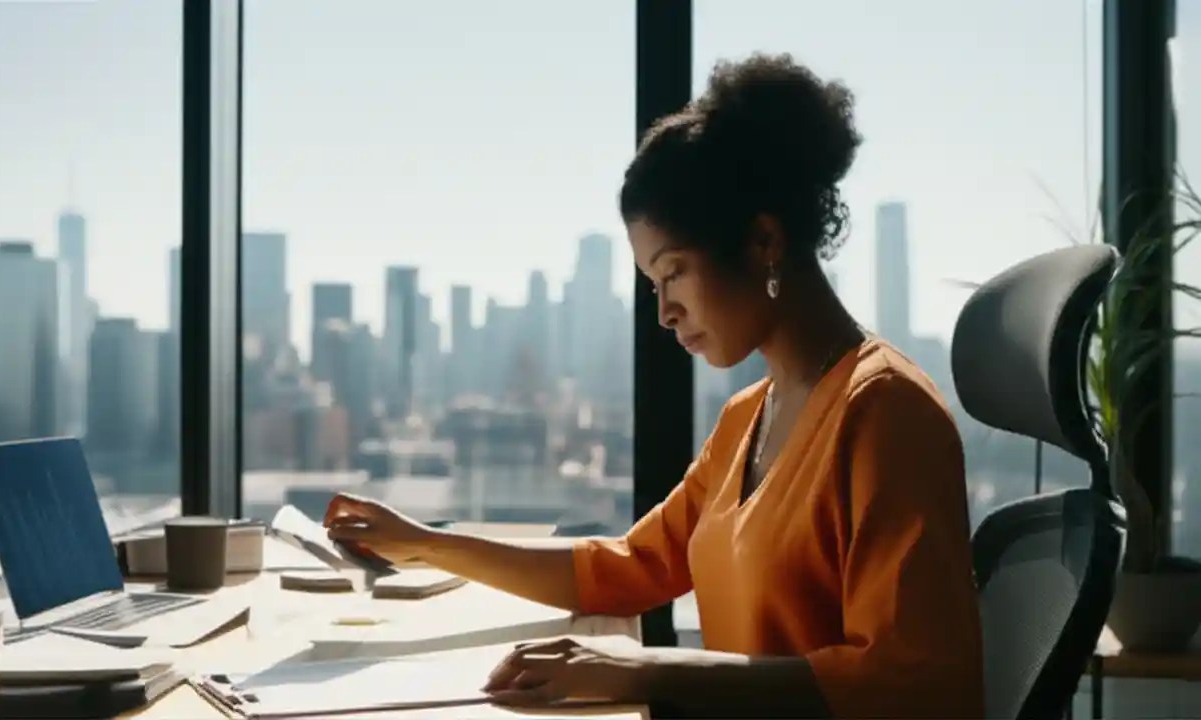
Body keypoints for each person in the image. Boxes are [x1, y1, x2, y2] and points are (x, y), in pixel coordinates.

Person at [324, 52, 983, 719]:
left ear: (762, 241)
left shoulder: (887, 413)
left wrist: (641, 670)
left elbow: (910, 686)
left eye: (674, 275)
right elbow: (626, 567)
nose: (664, 311)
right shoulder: (747, 417)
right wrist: (428, 544)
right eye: (652, 285)